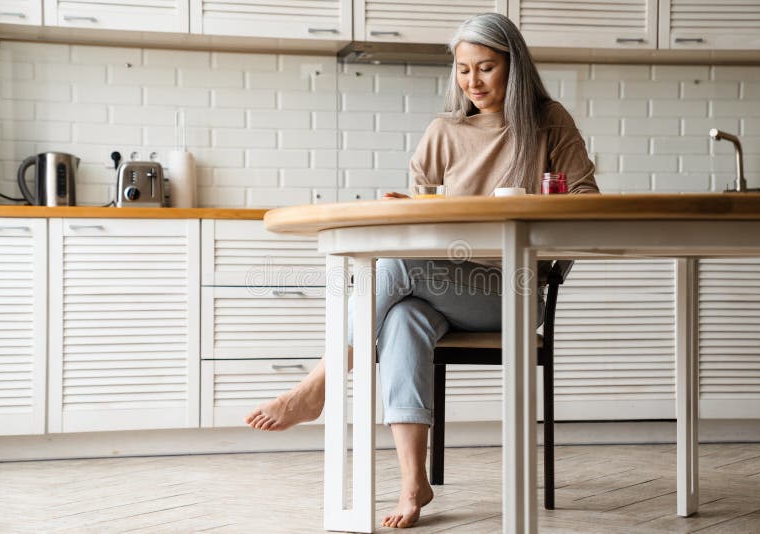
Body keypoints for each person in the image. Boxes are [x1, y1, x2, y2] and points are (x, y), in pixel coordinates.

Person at [245, 12, 599, 529]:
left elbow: (587, 199)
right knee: (402, 317)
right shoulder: (443, 132)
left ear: (513, 67)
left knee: (397, 263)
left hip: (514, 289)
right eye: (462, 70)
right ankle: (414, 483)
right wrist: (409, 207)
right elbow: (422, 217)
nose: (473, 82)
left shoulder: (549, 123)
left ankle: (318, 385)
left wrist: (542, 199)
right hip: (439, 282)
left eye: (486, 68)